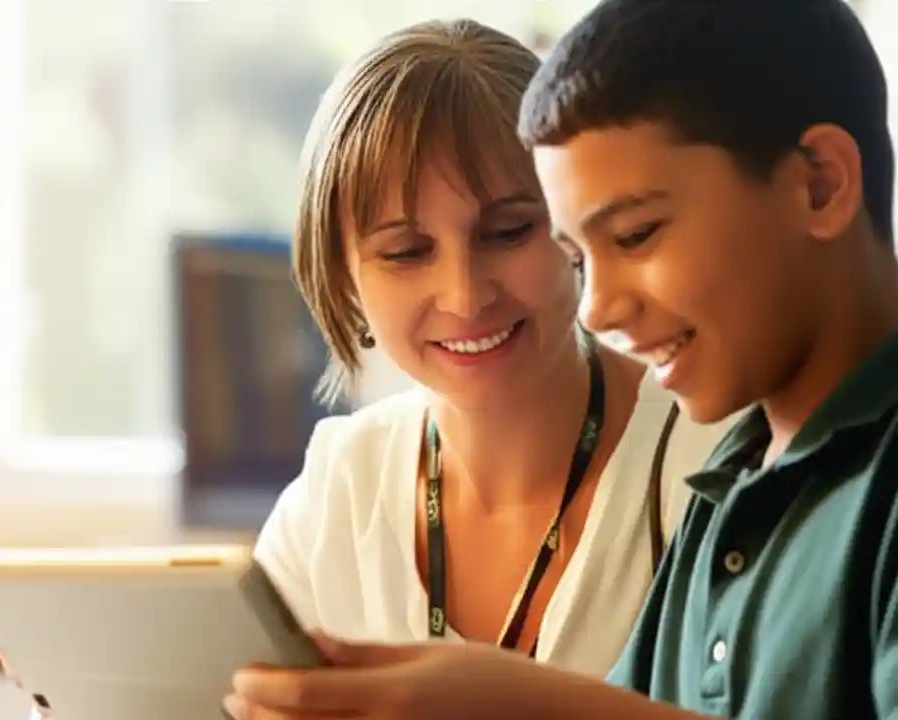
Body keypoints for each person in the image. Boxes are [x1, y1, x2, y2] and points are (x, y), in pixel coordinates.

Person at [224, 0, 898, 718]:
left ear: (821, 183)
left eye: (636, 235)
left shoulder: (738, 472)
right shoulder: (738, 480)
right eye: (580, 253)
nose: (596, 306)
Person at [251, 16, 729, 683]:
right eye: (406, 252)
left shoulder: (712, 462)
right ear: (343, 278)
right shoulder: (338, 494)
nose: (466, 295)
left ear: (576, 223)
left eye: (508, 232)